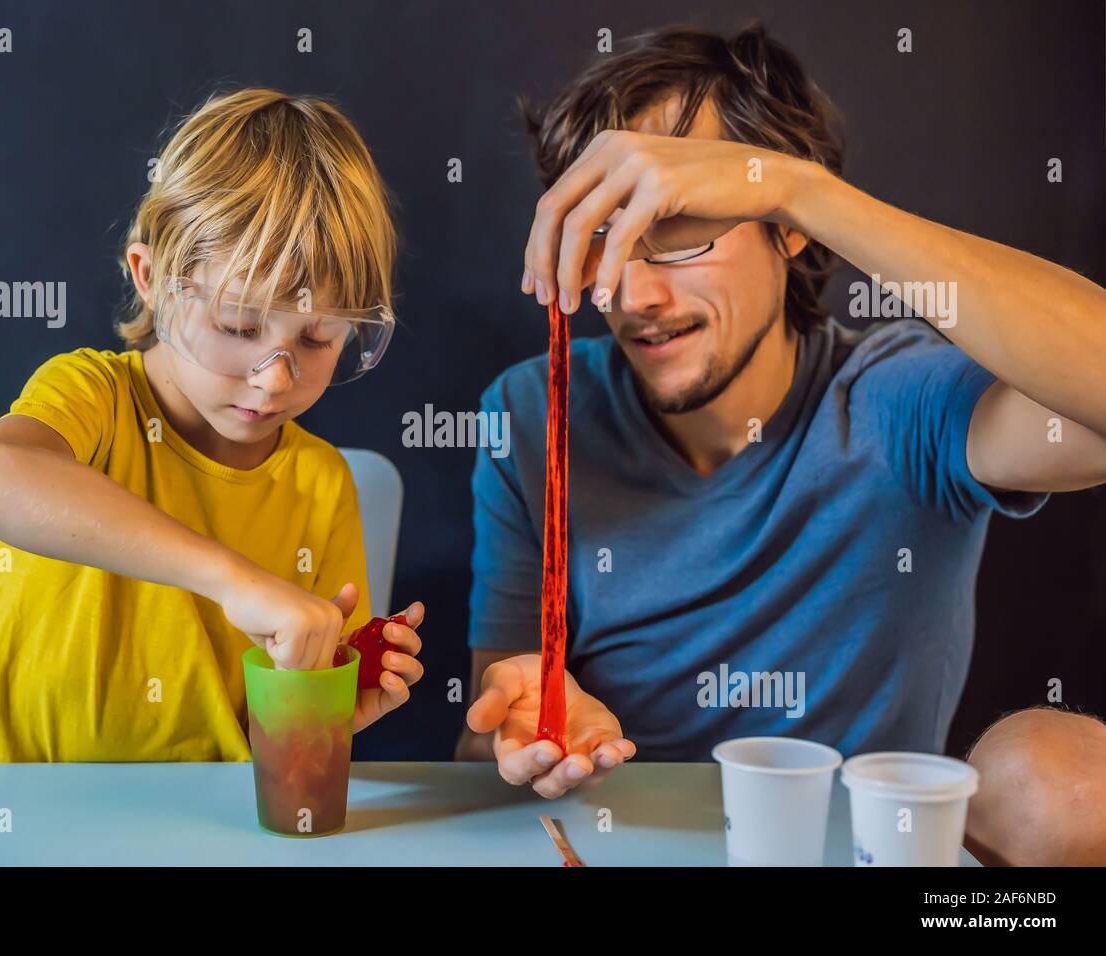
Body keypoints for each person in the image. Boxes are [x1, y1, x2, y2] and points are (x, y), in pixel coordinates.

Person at [458, 24, 1106, 865]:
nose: (635, 293)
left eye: (682, 223)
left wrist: (803, 190)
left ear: (787, 228)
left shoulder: (894, 402)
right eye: (604, 237)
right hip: (613, 844)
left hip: (860, 853)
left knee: (1065, 776)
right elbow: (487, 734)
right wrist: (521, 741)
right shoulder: (533, 413)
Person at [0, 88, 423, 762]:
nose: (275, 378)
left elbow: (279, 752)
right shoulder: (94, 397)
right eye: (237, 327)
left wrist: (322, 714)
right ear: (152, 279)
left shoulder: (320, 483)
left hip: (211, 826)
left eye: (317, 339)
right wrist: (235, 581)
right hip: (18, 811)